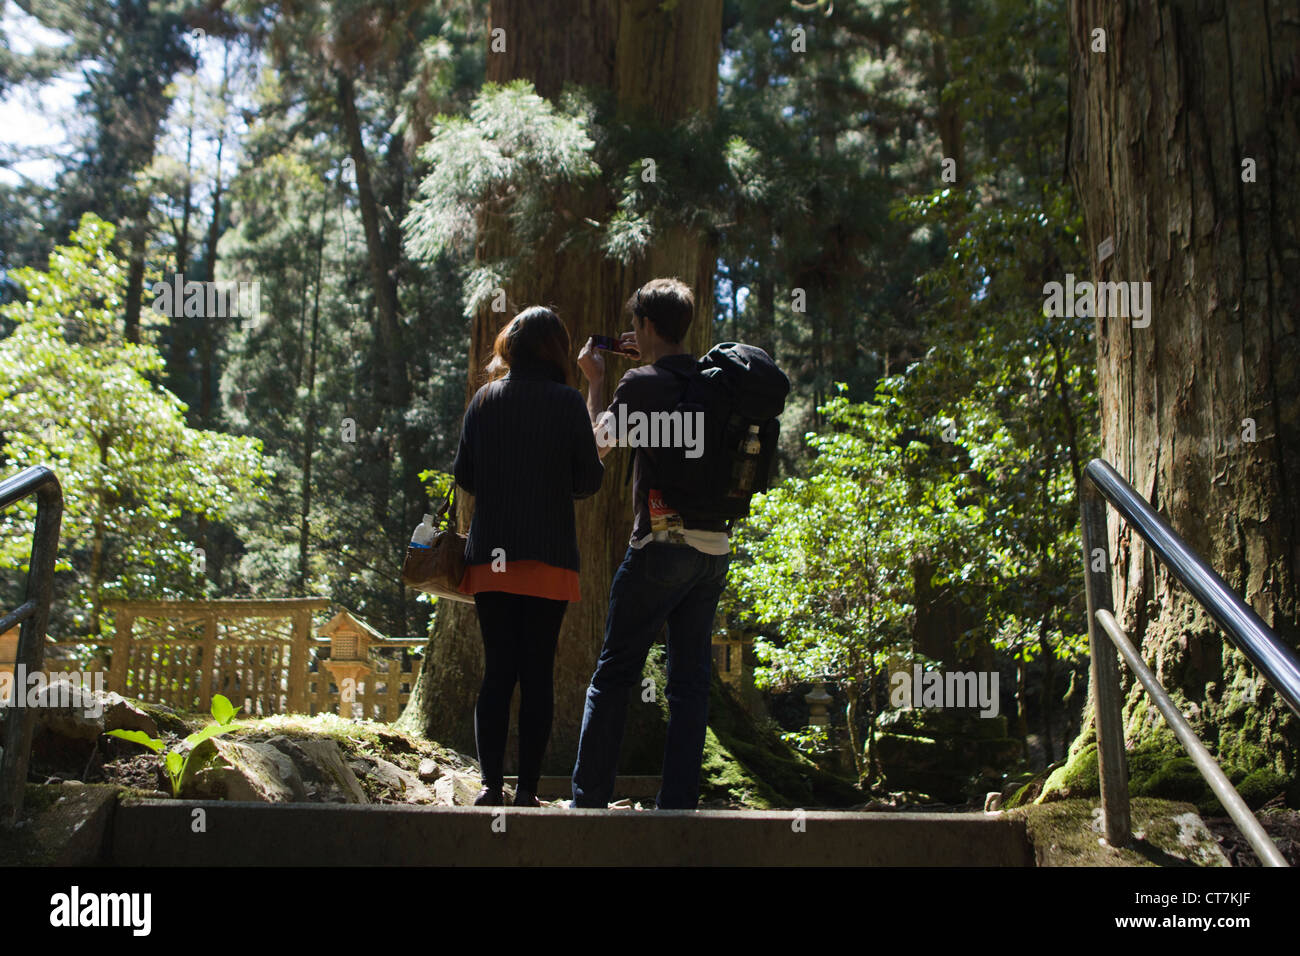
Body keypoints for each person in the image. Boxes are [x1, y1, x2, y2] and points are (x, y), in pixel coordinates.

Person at [571, 278, 731, 810]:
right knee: (690, 682)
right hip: (715, 549)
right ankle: (678, 803)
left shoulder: (639, 383)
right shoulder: (715, 382)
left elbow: (597, 448)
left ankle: (588, 798)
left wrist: (597, 379)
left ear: (642, 326)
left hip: (660, 547)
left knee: (615, 673)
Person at [453, 306, 604, 807]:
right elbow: (587, 481)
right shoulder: (566, 403)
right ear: (557, 350)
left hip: (491, 559)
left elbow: (466, 478)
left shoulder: (484, 400)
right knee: (537, 672)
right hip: (548, 557)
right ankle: (529, 792)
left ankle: (490, 786)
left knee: (498, 670)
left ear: (510, 347)